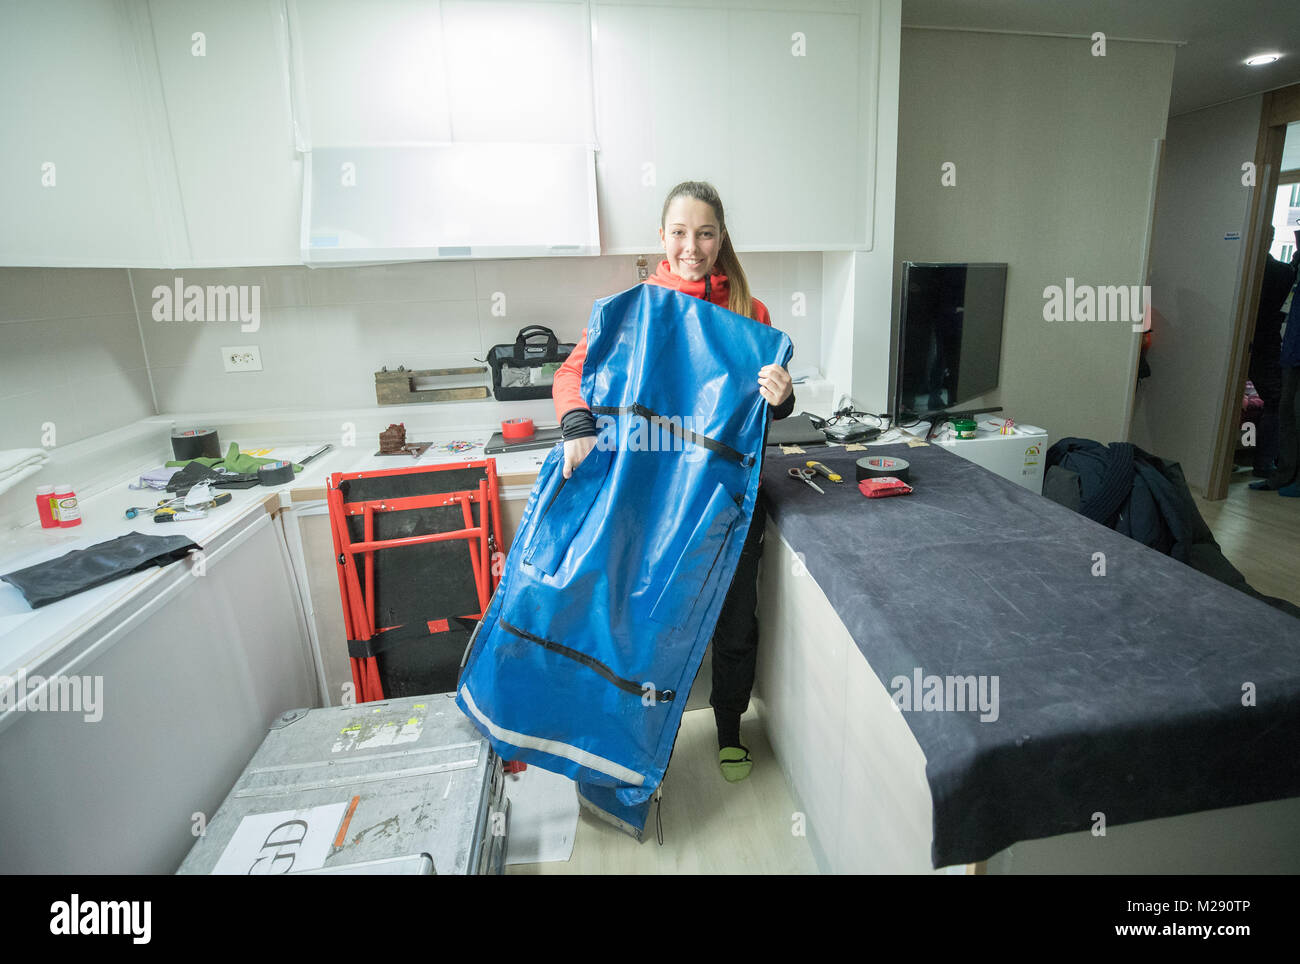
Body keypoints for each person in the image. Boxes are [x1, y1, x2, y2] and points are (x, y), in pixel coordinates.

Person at [552, 180, 795, 782]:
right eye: (681, 233)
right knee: (647, 626)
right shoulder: (636, 308)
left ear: (721, 238)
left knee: (735, 623)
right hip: (652, 507)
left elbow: (763, 406)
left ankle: (731, 728)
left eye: (706, 233)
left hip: (726, 506)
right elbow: (571, 374)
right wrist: (577, 423)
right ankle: (637, 740)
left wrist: (785, 398)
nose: (694, 246)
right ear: (663, 237)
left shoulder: (750, 313)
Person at [1246, 228, 1298, 478]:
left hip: (1247, 344)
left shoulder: (1242, 268)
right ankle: (1263, 462)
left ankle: (1246, 456)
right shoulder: (1281, 272)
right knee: (1275, 401)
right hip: (1265, 345)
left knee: (1236, 402)